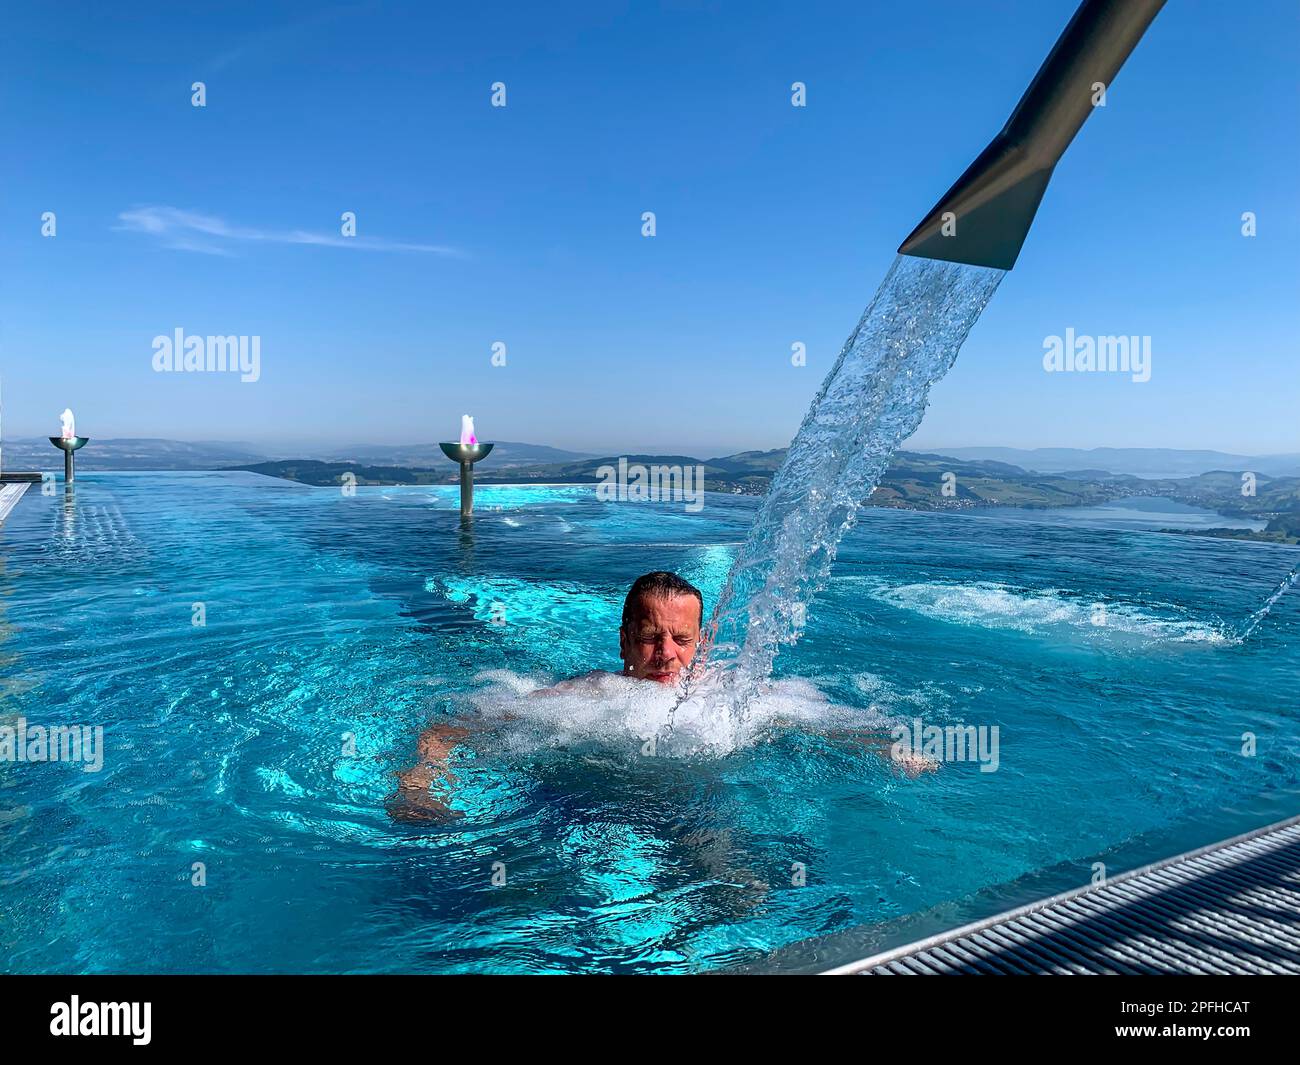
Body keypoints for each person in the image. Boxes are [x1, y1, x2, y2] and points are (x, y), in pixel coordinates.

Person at [386, 571, 932, 824]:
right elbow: (453, 726)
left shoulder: (726, 692)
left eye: (682, 639)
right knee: (525, 901)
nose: (667, 653)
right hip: (583, 806)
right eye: (650, 637)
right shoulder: (588, 697)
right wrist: (419, 784)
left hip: (694, 804)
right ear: (624, 639)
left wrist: (885, 746)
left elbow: (814, 717)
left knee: (740, 895)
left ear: (702, 642)